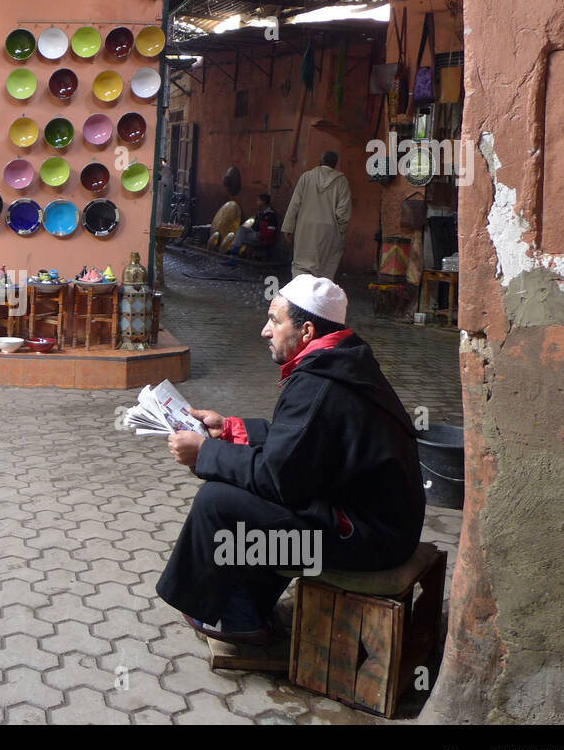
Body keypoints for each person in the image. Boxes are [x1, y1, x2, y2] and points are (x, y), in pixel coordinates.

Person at [155, 275, 424, 645]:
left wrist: (205, 453)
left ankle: (240, 622)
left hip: (368, 539)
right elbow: (302, 442)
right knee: (245, 495)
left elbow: (278, 478)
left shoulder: (320, 384)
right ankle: (247, 608)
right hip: (379, 525)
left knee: (218, 502)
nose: (266, 331)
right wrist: (233, 429)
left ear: (307, 330)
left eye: (275, 321)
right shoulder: (341, 359)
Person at [281, 149, 352, 281]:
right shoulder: (341, 182)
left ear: (320, 161)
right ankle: (318, 297)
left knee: (301, 265)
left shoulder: (306, 177)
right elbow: (343, 211)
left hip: (305, 228)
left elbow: (294, 204)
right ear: (335, 164)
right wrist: (340, 232)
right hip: (329, 230)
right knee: (324, 268)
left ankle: (301, 295)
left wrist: (288, 228)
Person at [225, 193, 279, 260]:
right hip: (255, 234)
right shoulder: (260, 213)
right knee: (241, 230)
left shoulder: (270, 215)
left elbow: (271, 231)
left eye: (258, 200)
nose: (257, 202)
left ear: (263, 202)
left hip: (261, 237)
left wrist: (262, 236)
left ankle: (233, 257)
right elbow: (254, 227)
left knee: (239, 237)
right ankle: (234, 253)